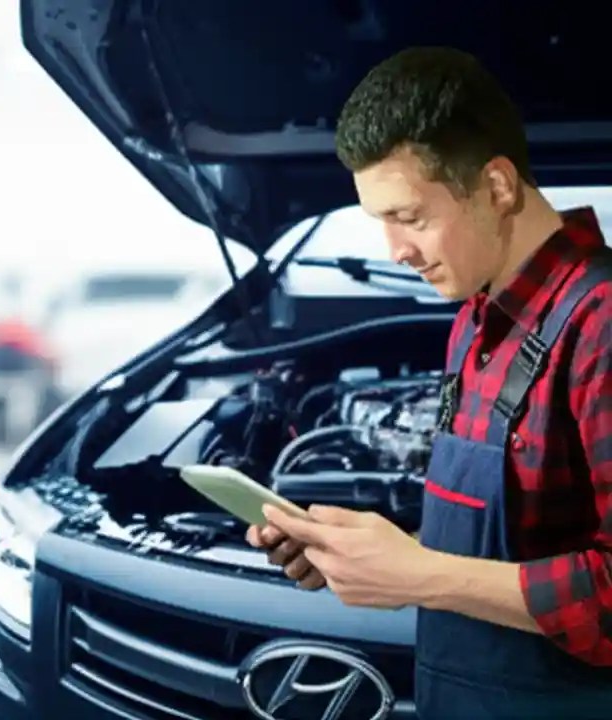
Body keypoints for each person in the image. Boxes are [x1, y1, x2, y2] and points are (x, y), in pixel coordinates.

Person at [247, 47, 612, 718]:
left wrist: (422, 574)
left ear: (497, 187)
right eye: (380, 223)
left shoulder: (601, 324)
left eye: (410, 218)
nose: (396, 252)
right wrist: (365, 554)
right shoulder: (473, 320)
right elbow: (500, 545)